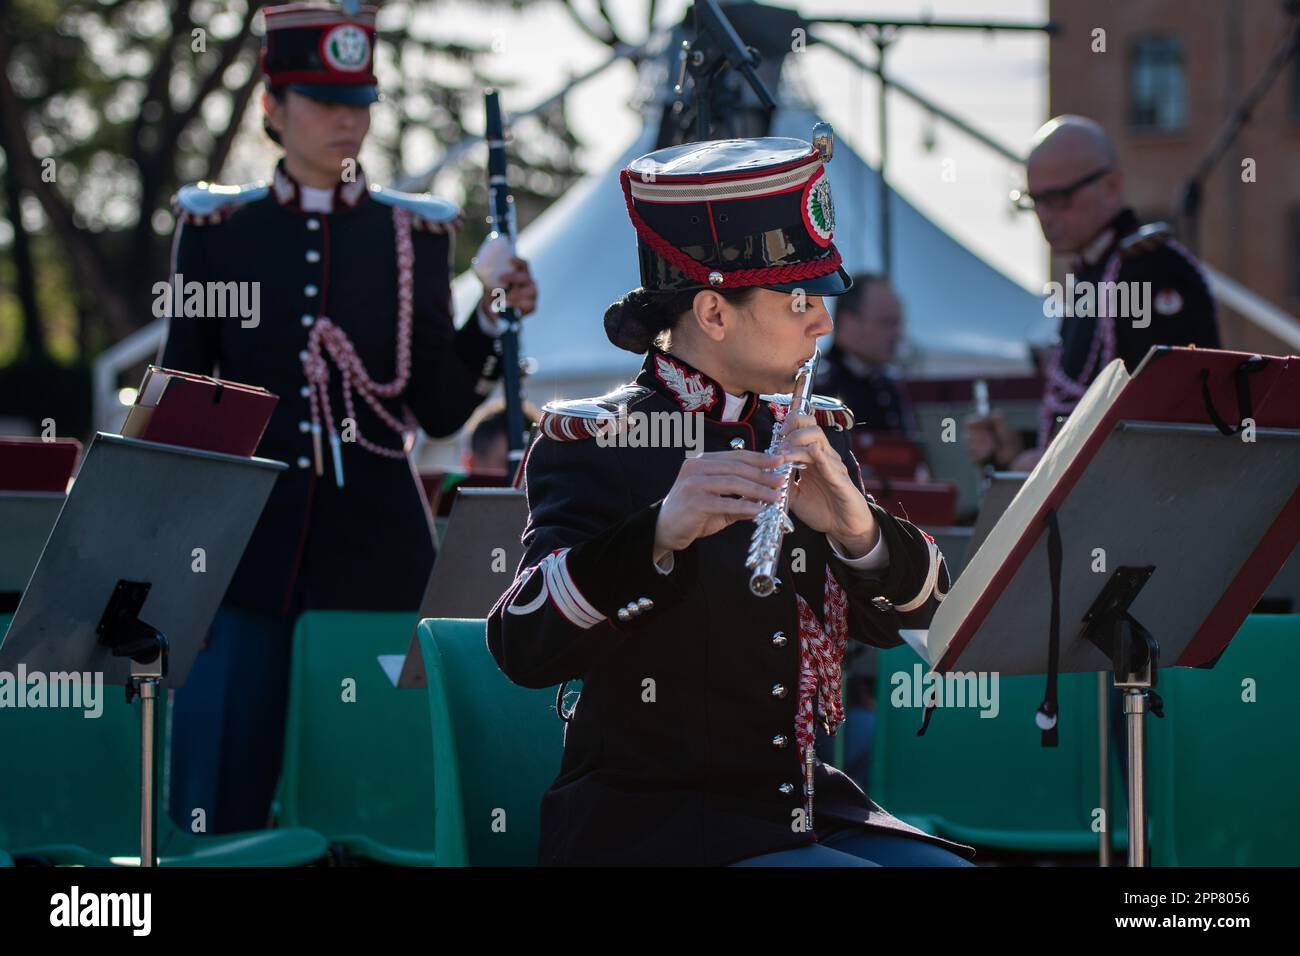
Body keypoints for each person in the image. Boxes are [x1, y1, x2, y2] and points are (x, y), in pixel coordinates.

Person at [487, 133, 973, 866]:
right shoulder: (595, 440)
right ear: (713, 313)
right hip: (652, 828)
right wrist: (655, 536)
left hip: (799, 807)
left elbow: (935, 629)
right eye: (799, 300)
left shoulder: (812, 433)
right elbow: (521, 646)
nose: (823, 322)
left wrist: (857, 529)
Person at [158, 1, 537, 833]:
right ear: (271, 107)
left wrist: (487, 318)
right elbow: (183, 397)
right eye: (323, 99)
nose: (345, 118)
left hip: (375, 556)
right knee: (217, 804)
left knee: (380, 794)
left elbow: (435, 406)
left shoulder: (415, 235)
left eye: (359, 101)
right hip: (240, 562)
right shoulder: (220, 230)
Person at [966, 115, 1220, 471]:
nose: (1044, 216)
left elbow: (1171, 424)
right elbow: (1080, 412)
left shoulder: (1153, 269)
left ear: (1111, 186)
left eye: (1058, 199)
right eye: (1035, 200)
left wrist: (1047, 463)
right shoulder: (1093, 274)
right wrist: (1016, 447)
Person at [814, 273, 916, 434]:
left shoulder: (888, 387)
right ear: (848, 322)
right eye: (886, 322)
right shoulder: (818, 389)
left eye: (898, 323)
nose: (898, 334)